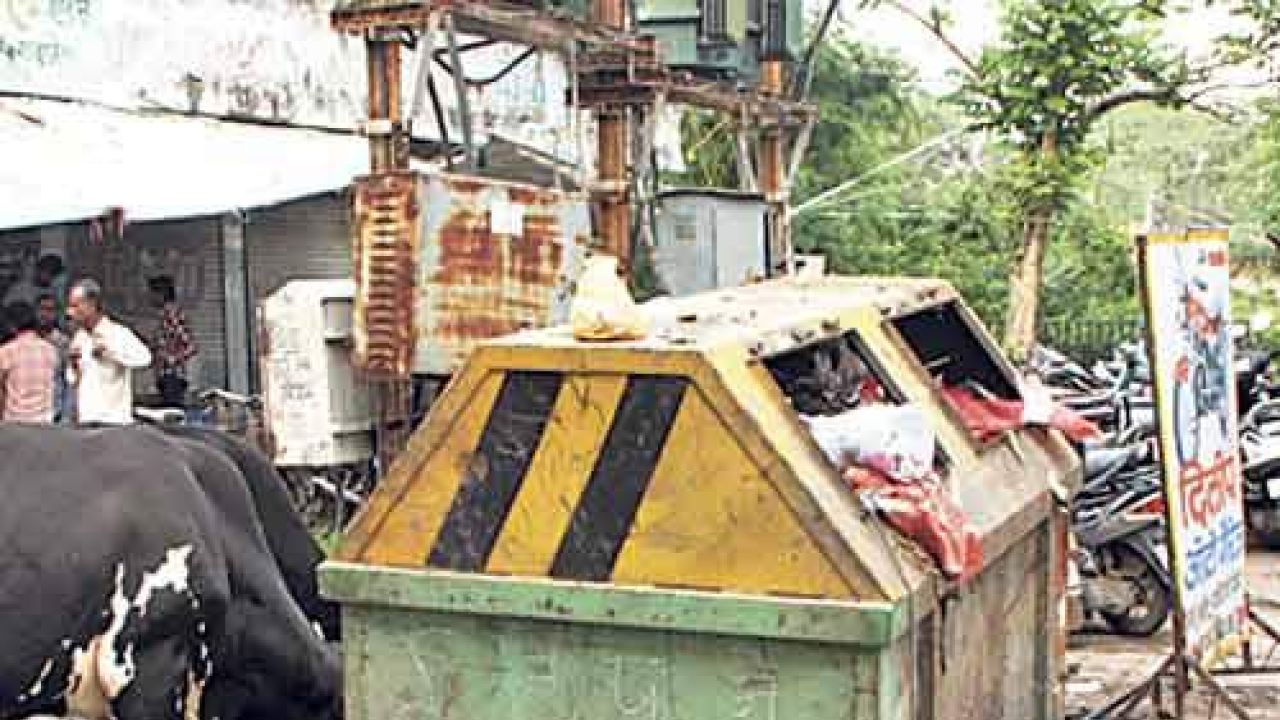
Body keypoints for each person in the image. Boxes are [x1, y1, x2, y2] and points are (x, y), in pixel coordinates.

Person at [66, 278, 152, 425]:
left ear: (91, 305)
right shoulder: (79, 338)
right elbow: (72, 380)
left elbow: (144, 358)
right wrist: (74, 364)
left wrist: (111, 353)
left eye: (75, 306)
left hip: (113, 422)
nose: (70, 312)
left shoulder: (118, 333)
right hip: (86, 419)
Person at [0, 301, 58, 423]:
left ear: (12, 326)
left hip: (14, 424)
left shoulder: (6, 351)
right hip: (45, 423)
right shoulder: (50, 350)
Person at [148, 275, 196, 408]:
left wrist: (172, 359)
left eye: (153, 293)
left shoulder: (173, 316)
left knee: (172, 414)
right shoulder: (164, 316)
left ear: (161, 294)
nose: (150, 298)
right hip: (164, 376)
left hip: (173, 377)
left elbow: (191, 346)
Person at [37, 293, 72, 423]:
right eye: (41, 309)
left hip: (54, 413)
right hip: (30, 412)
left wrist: (65, 416)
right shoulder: (26, 341)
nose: (44, 314)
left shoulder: (63, 343)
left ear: (57, 314)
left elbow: (68, 381)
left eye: (49, 310)